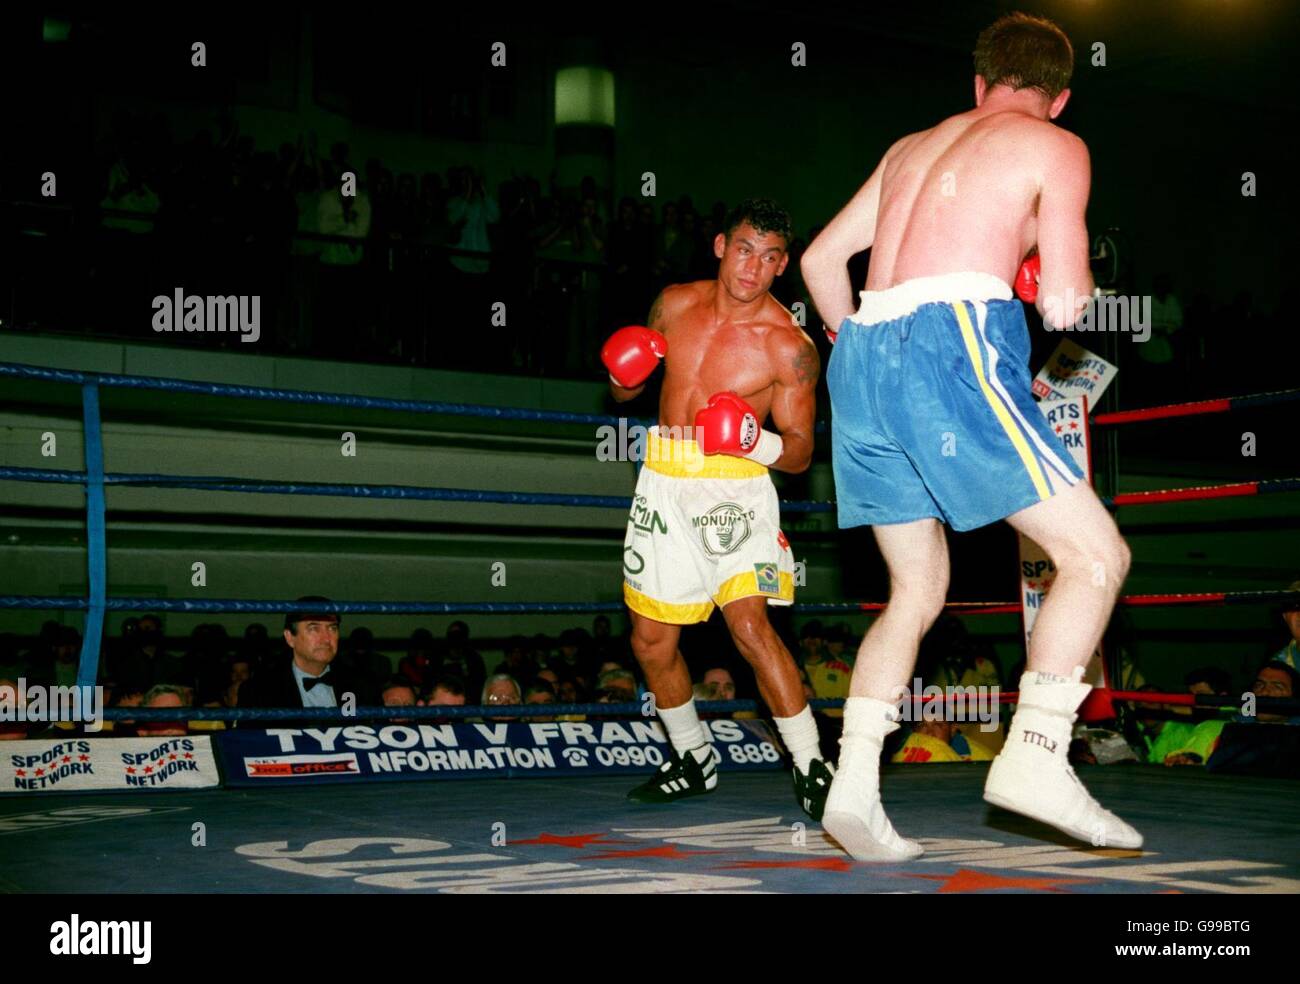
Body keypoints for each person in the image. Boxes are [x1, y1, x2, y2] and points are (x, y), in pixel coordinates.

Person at [802, 12, 1141, 858]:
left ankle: (852, 787)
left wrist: (864, 354)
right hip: (951, 340)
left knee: (916, 590)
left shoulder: (908, 147)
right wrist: (1057, 271)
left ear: (979, 82)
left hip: (863, 356)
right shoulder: (1057, 146)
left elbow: (818, 262)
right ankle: (1036, 755)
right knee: (1097, 557)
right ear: (1060, 98)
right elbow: (1063, 306)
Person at [604, 197, 833, 819]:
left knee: (750, 628)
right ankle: (691, 757)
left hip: (735, 487)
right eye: (744, 250)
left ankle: (813, 764)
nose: (752, 268)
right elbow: (625, 394)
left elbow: (802, 453)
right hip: (663, 479)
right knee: (651, 641)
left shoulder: (788, 346)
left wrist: (754, 440)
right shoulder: (673, 304)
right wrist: (623, 375)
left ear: (782, 265)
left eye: (769, 257)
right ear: (720, 247)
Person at [238, 597, 379, 728]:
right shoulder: (259, 690)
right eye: (314, 628)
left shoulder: (362, 684)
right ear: (290, 637)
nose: (326, 638)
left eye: (332, 628)